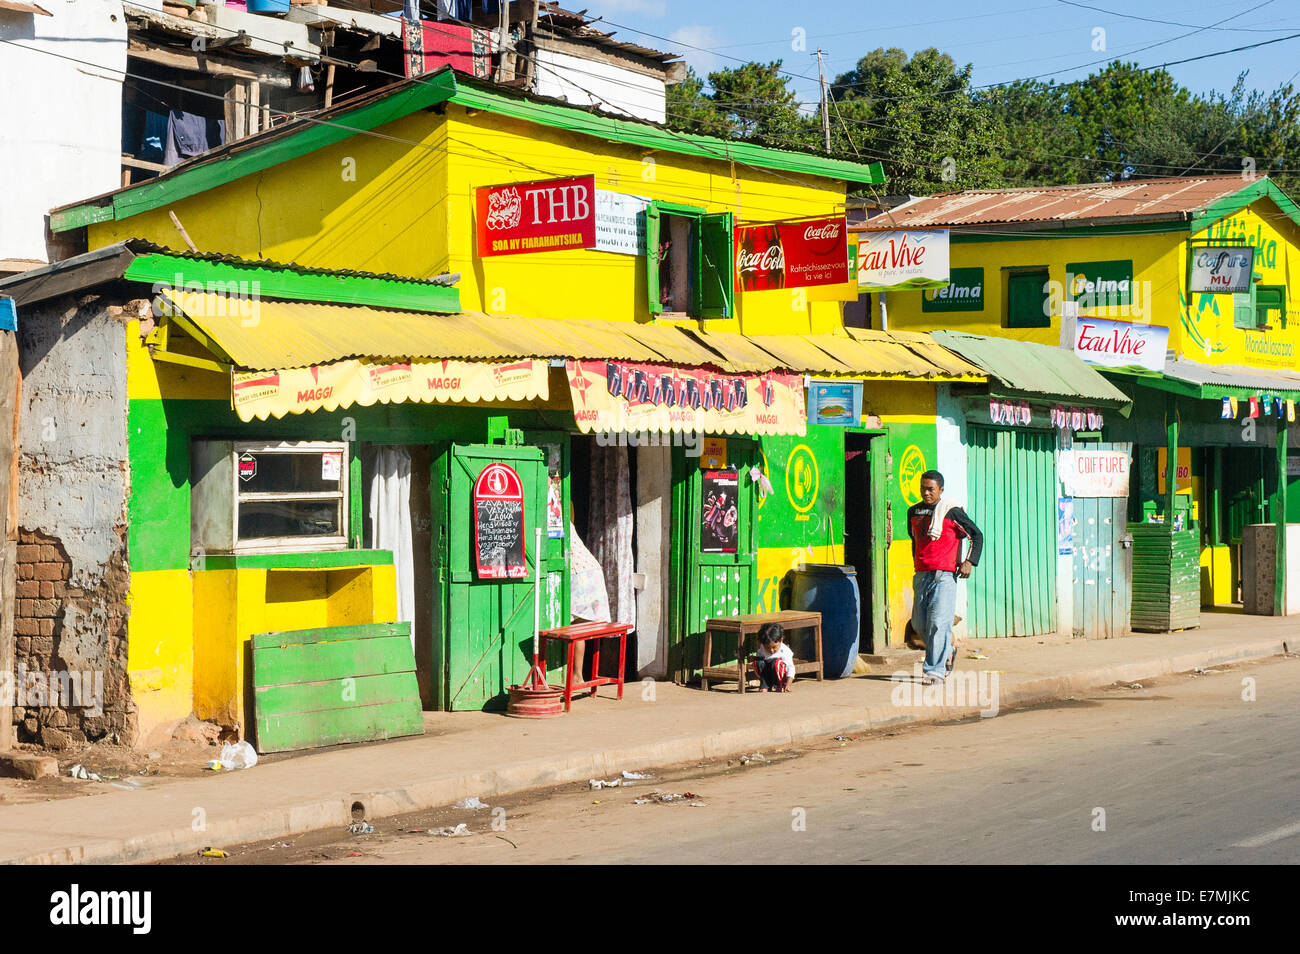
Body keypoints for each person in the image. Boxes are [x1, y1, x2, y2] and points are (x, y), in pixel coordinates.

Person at [906, 470, 983, 685]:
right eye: (923, 488)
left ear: (941, 490)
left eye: (931, 489)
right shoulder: (913, 511)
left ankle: (934, 671)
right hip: (921, 574)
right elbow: (915, 540)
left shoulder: (952, 512)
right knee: (919, 624)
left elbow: (976, 535)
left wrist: (969, 562)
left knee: (939, 624)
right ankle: (947, 650)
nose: (926, 493)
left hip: (945, 576)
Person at [753, 622, 795, 693]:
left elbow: (790, 668)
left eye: (774, 647)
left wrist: (788, 684)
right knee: (758, 663)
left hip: (779, 674)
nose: (771, 650)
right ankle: (765, 685)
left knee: (776, 663)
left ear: (781, 640)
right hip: (767, 672)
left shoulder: (785, 651)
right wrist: (754, 658)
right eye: (767, 648)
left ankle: (778, 685)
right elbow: (760, 658)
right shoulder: (762, 648)